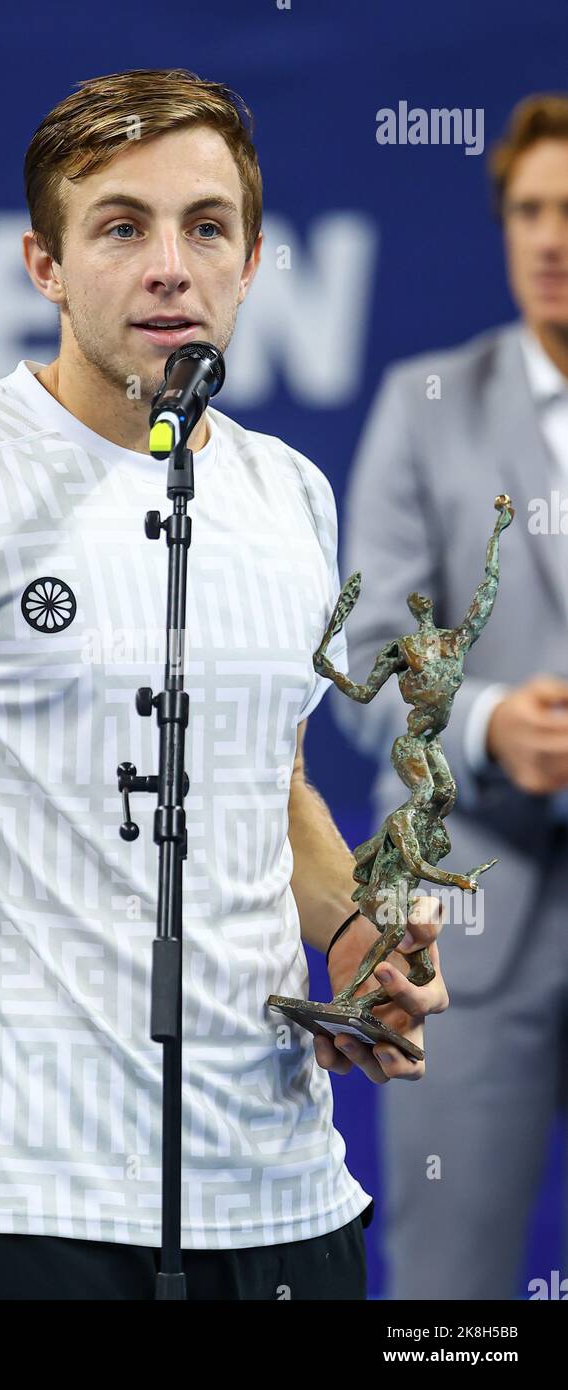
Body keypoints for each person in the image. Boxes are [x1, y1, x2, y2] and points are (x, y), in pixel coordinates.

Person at [0, 67, 447, 1303]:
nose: (169, 265)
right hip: (14, 1203)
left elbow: (264, 785)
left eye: (204, 226)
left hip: (286, 1199)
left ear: (253, 258)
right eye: (120, 226)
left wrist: (357, 934)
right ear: (43, 266)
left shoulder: (290, 494)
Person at [334, 93, 568, 1300]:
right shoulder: (425, 402)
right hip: (466, 907)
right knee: (446, 1291)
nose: (548, 237)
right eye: (527, 209)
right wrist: (479, 724)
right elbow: (368, 651)